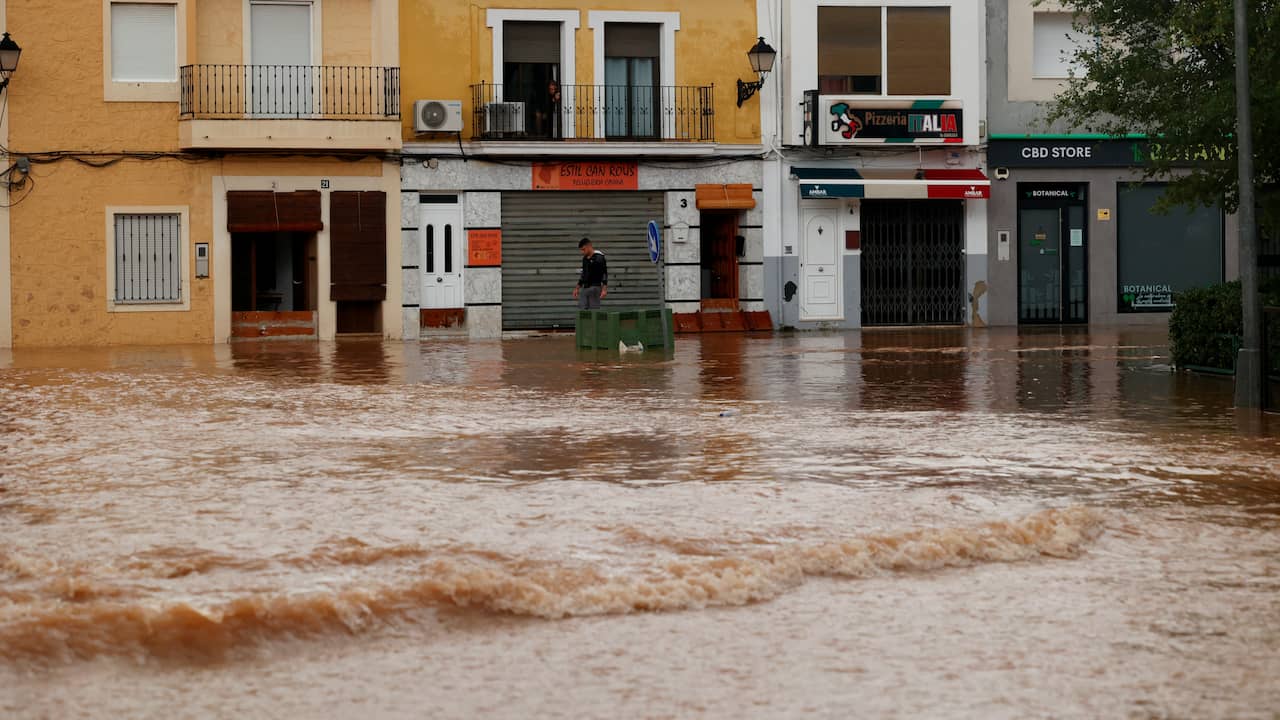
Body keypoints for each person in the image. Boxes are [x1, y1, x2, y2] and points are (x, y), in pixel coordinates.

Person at [573, 237, 607, 309]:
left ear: (589, 246)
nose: (582, 252)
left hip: (595, 288)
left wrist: (604, 289)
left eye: (583, 249)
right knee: (582, 311)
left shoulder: (599, 258)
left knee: (593, 313)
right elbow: (584, 274)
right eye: (581, 250)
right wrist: (577, 288)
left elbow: (604, 273)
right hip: (585, 288)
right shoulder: (585, 259)